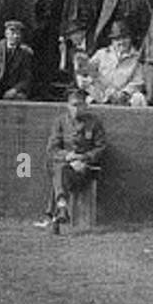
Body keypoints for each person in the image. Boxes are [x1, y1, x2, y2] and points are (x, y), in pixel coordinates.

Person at [39, 86, 107, 234]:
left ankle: (54, 212)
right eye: (73, 105)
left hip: (84, 170)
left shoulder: (94, 122)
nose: (77, 109)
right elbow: (52, 149)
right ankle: (62, 208)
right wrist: (68, 157)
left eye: (80, 105)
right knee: (60, 168)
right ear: (67, 106)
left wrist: (83, 158)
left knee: (58, 171)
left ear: (85, 105)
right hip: (66, 167)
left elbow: (100, 148)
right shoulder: (60, 122)